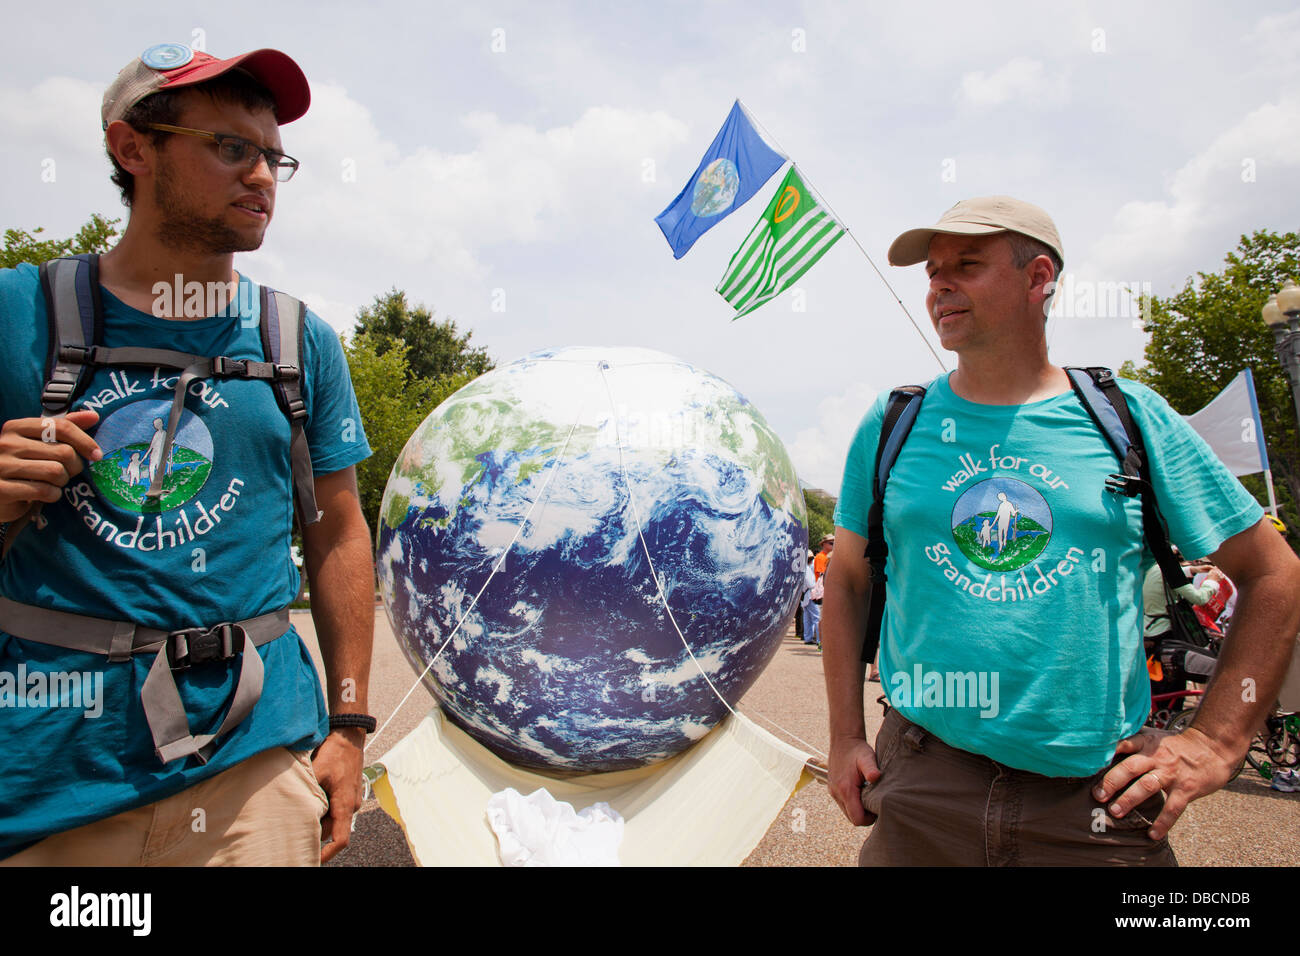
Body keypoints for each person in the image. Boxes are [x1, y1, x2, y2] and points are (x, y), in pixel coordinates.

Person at [822, 195, 1300, 865]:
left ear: (1037, 277)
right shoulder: (892, 421)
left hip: (1094, 805)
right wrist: (845, 736)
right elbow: (845, 583)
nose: (939, 286)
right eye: (931, 271)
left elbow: (1274, 571)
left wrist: (1217, 740)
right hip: (924, 782)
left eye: (966, 264)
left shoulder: (1128, 416)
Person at [0, 44, 375, 865]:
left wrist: (349, 726)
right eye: (231, 148)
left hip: (253, 767)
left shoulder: (298, 341)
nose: (263, 177)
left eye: (274, 157)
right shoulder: (17, 314)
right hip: (50, 779)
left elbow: (340, 534)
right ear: (133, 148)